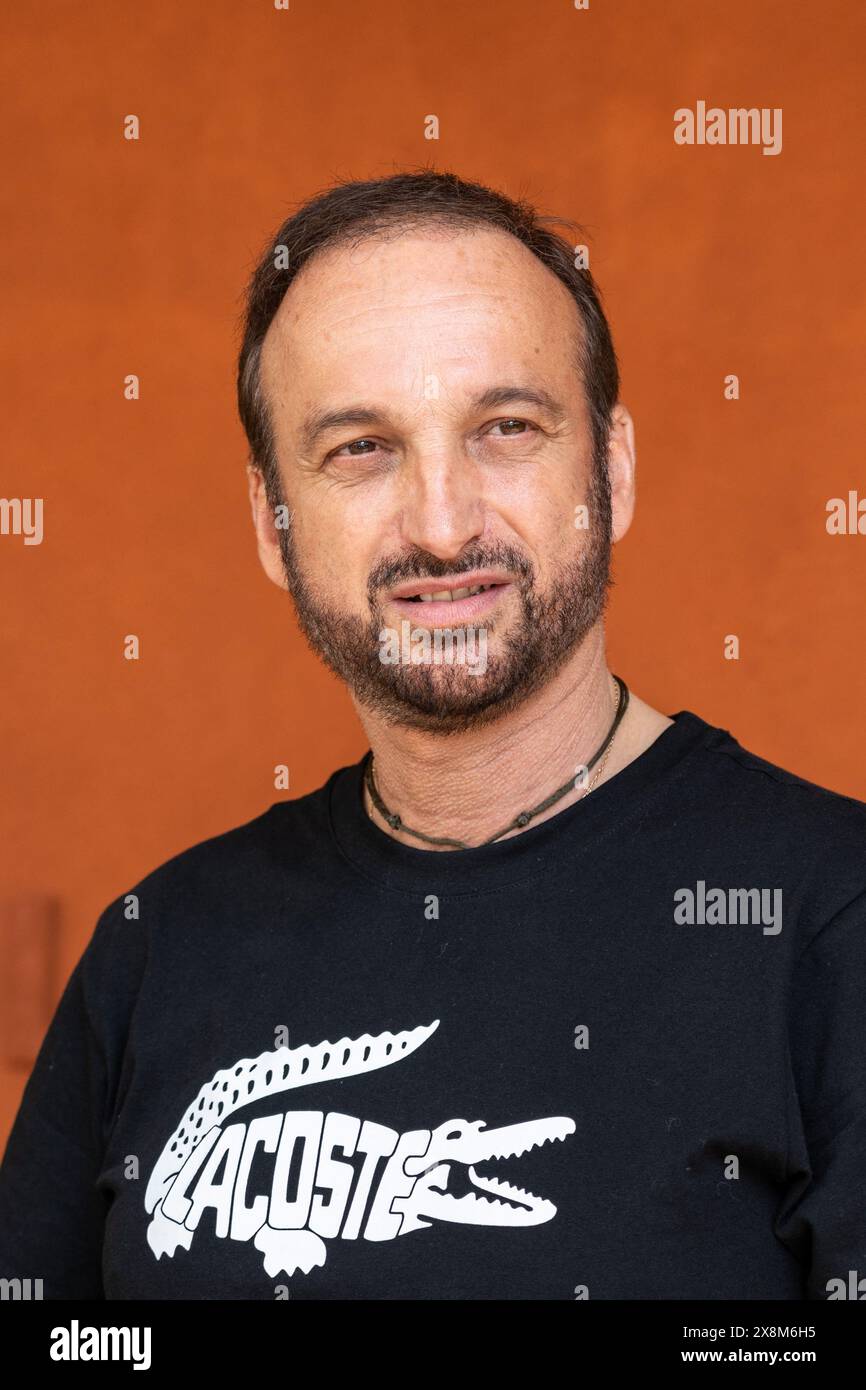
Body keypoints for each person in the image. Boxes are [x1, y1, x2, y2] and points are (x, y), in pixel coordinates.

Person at [1, 169, 864, 1300]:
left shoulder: (828, 918)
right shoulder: (157, 945)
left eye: (505, 428)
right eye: (361, 446)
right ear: (272, 522)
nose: (443, 523)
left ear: (609, 471)